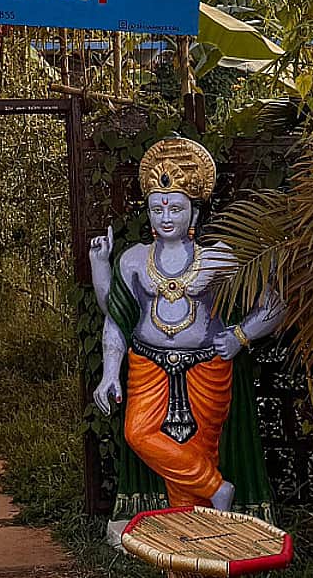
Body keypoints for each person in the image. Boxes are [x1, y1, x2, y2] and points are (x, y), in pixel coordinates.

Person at [89, 137, 283, 516]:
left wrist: (242, 336)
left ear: (194, 215)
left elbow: (276, 304)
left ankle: (190, 533)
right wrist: (110, 372)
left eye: (175, 208)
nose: (165, 217)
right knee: (138, 433)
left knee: (198, 448)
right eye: (157, 208)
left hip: (207, 366)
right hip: (147, 364)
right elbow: (117, 315)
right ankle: (216, 489)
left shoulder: (219, 259)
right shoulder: (133, 260)